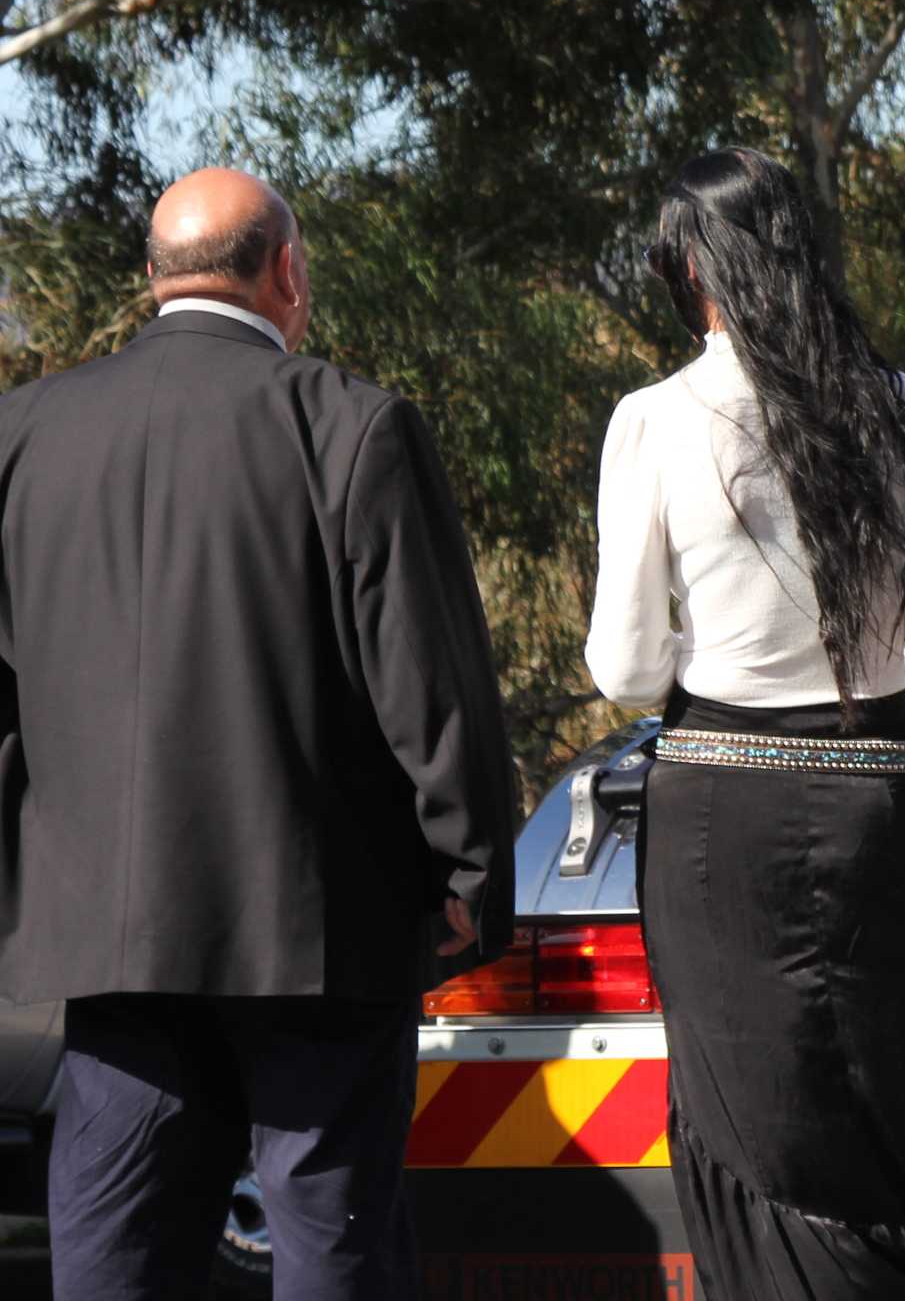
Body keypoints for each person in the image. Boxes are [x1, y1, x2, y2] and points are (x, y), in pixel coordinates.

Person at [0, 167, 518, 1298]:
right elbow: (432, 692)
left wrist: (34, 878)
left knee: (114, 1252)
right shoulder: (354, 425)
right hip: (318, 936)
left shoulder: (25, 433)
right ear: (287, 271)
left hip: (108, 939)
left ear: (151, 279)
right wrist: (470, 878)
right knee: (332, 1246)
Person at [587, 148, 905, 1297]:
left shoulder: (655, 419)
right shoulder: (895, 401)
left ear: (691, 271)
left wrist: (713, 645)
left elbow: (624, 666)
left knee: (756, 1115)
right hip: (873, 792)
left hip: (723, 805)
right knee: (895, 1092)